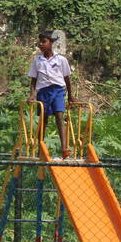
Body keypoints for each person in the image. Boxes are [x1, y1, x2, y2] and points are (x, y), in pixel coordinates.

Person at [26, 30, 74, 158]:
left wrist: (70, 95)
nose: (41, 44)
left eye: (44, 42)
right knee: (44, 120)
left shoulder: (61, 60)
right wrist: (32, 94)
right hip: (43, 92)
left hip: (58, 90)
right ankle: (40, 149)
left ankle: (64, 148)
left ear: (51, 42)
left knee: (59, 116)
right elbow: (33, 80)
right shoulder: (38, 61)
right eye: (39, 42)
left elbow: (67, 79)